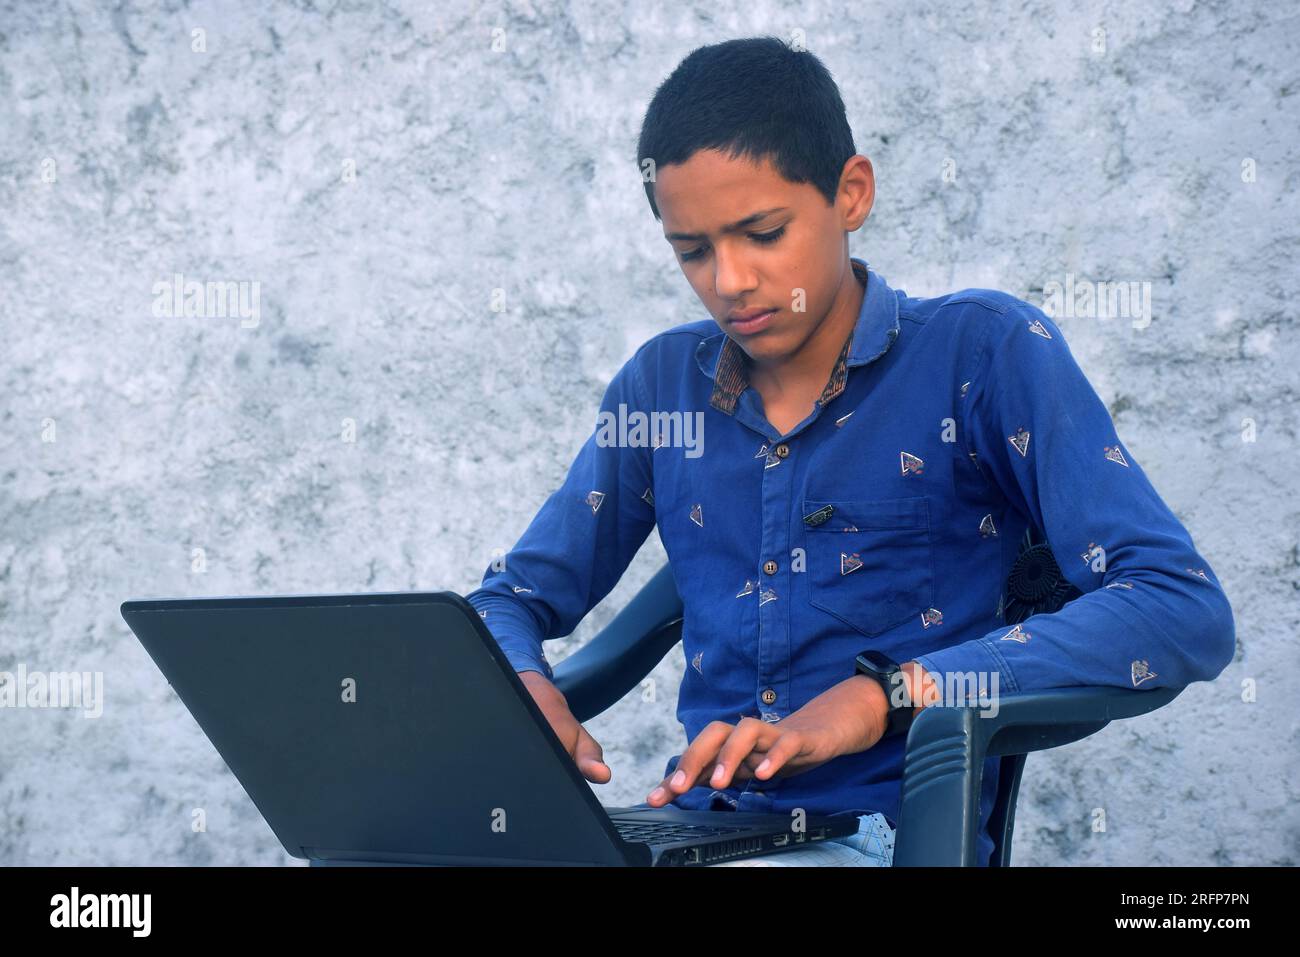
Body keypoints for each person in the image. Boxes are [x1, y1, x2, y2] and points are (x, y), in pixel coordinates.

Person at [466, 36, 1235, 867]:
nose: (729, 280)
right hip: (697, 835)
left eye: (762, 233)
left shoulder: (979, 355)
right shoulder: (663, 391)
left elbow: (1178, 605)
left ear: (851, 193)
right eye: (692, 251)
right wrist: (518, 688)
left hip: (879, 837)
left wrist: (889, 693)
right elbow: (508, 597)